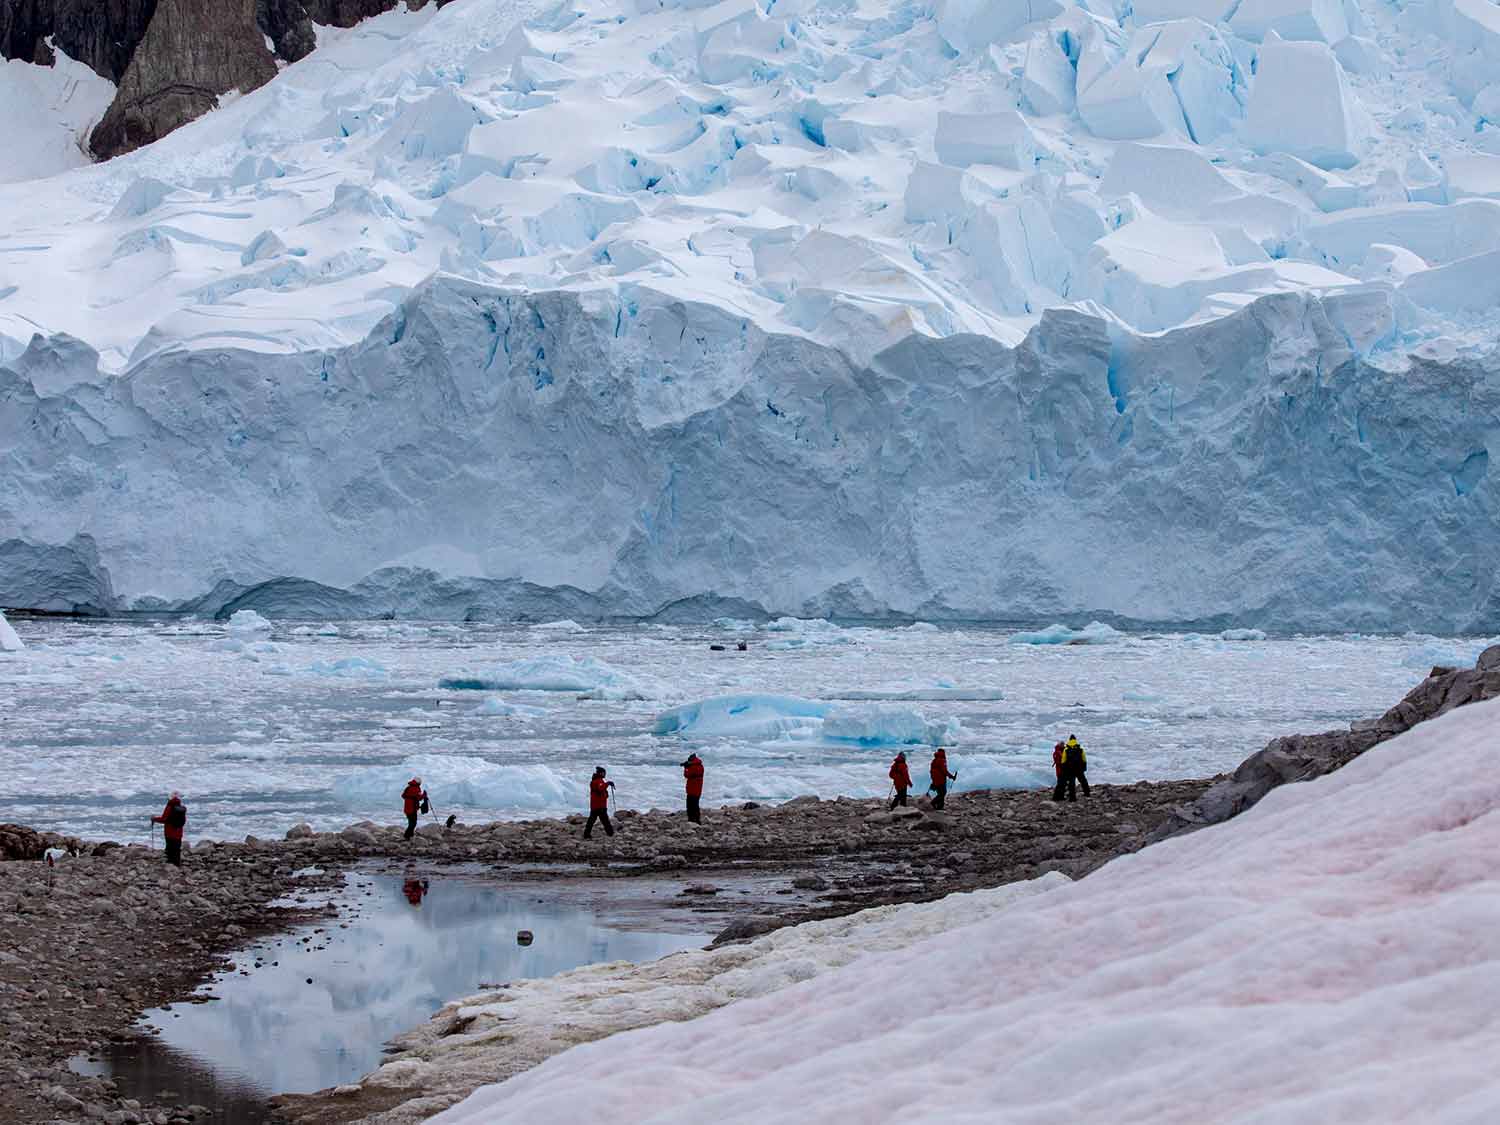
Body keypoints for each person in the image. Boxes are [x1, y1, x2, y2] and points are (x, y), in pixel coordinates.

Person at [151, 791, 187, 866]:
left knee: (170, 847)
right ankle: (177, 863)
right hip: (179, 832)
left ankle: (170, 864)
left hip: (169, 831)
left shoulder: (169, 807)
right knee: (177, 848)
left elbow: (164, 819)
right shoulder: (180, 808)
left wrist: (154, 819)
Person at [1053, 734, 1091, 802]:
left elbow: (1063, 760)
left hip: (1070, 769)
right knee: (1083, 781)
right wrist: (1084, 768)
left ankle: (1072, 798)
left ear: (1069, 740)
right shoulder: (1080, 749)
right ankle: (1087, 793)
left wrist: (1064, 769)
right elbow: (1084, 759)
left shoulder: (1066, 749)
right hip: (1079, 768)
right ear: (1075, 740)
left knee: (1071, 784)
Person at [584, 766, 615, 838]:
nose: (605, 774)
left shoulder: (594, 781)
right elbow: (601, 788)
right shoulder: (599, 781)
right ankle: (610, 833)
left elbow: (600, 790)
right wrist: (608, 783)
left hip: (594, 805)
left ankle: (586, 834)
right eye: (604, 773)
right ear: (601, 773)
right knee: (605, 820)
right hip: (600, 805)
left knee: (591, 820)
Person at [682, 753, 705, 823]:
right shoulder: (700, 766)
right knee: (696, 805)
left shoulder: (693, 767)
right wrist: (688, 766)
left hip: (691, 790)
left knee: (690, 806)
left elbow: (686, 775)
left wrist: (686, 768)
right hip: (698, 789)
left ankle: (691, 820)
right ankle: (697, 820)